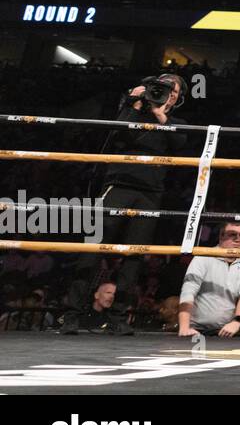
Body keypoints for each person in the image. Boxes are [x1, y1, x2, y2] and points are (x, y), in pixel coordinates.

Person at [64, 73, 188, 322]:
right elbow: (118, 132)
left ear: (178, 99)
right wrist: (135, 102)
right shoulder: (133, 110)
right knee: (93, 247)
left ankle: (120, 317)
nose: (167, 95)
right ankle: (72, 313)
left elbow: (179, 144)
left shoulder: (175, 122)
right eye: (163, 89)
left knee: (134, 254)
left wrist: (160, 114)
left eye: (173, 93)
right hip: (118, 185)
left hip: (150, 192)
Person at [176, 222, 240, 338]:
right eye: (233, 234)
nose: (237, 239)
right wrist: (184, 327)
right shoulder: (203, 257)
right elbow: (188, 291)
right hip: (196, 328)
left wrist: (236, 321)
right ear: (221, 236)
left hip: (226, 330)